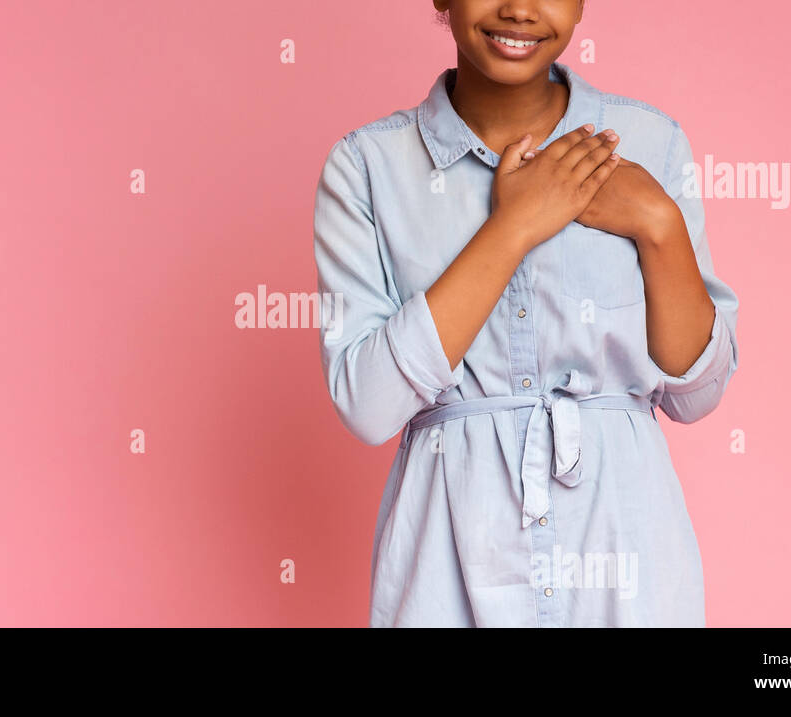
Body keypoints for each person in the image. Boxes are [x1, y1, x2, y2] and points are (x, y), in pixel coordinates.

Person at [312, 0, 740, 627]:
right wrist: (514, 226)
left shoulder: (653, 143)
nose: (518, 9)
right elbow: (368, 405)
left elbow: (695, 396)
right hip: (447, 561)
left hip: (625, 558)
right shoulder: (367, 167)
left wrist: (659, 225)